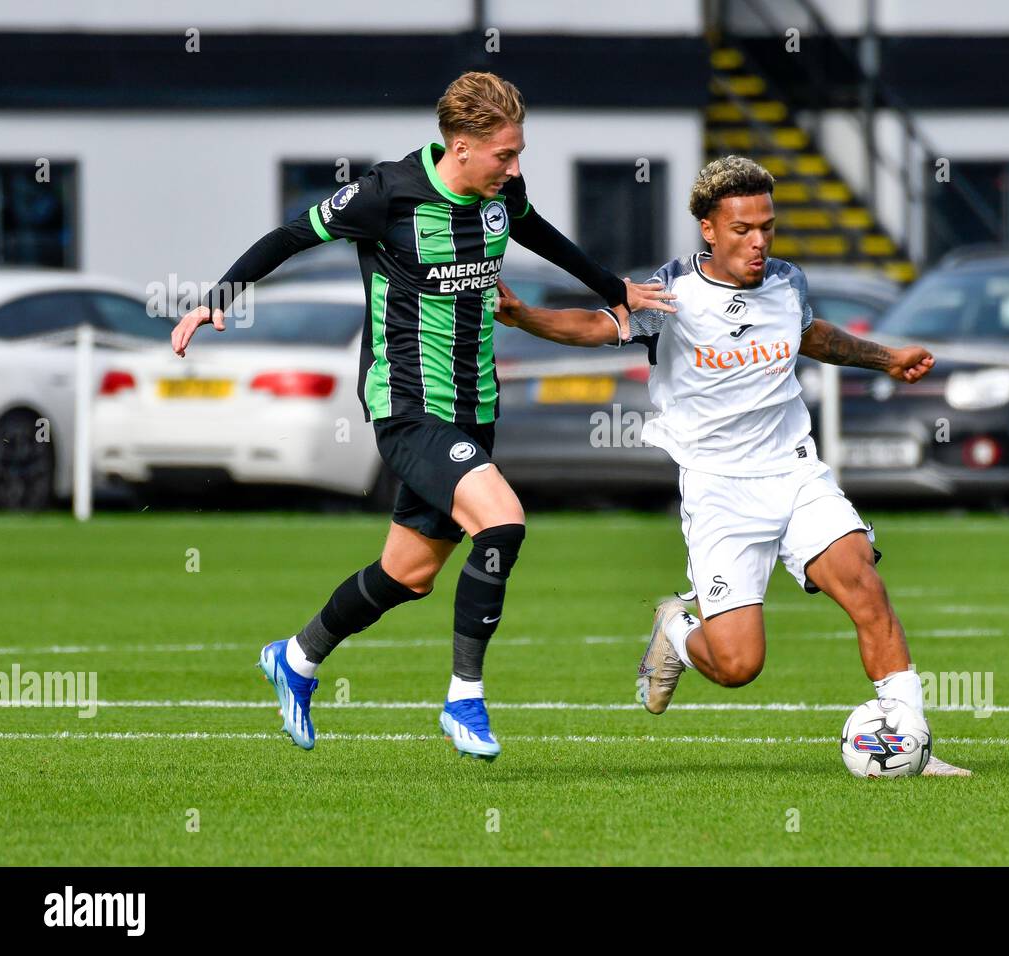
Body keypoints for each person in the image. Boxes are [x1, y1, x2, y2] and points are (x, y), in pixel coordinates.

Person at [169, 71, 673, 759]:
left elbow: (542, 234)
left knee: (408, 573)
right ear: (461, 147)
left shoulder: (502, 194)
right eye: (505, 154)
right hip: (406, 405)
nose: (516, 168)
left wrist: (617, 291)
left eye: (519, 152)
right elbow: (292, 234)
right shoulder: (388, 194)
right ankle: (465, 698)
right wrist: (215, 296)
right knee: (502, 521)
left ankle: (297, 657)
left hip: (475, 407)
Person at [494, 155, 970, 776]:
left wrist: (887, 359)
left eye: (767, 226)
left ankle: (912, 739)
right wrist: (527, 317)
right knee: (738, 665)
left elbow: (810, 335)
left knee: (864, 588)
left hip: (795, 471)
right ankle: (677, 631)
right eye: (743, 228)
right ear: (709, 230)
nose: (758, 241)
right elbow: (598, 325)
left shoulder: (786, 281)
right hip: (719, 490)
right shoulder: (672, 292)